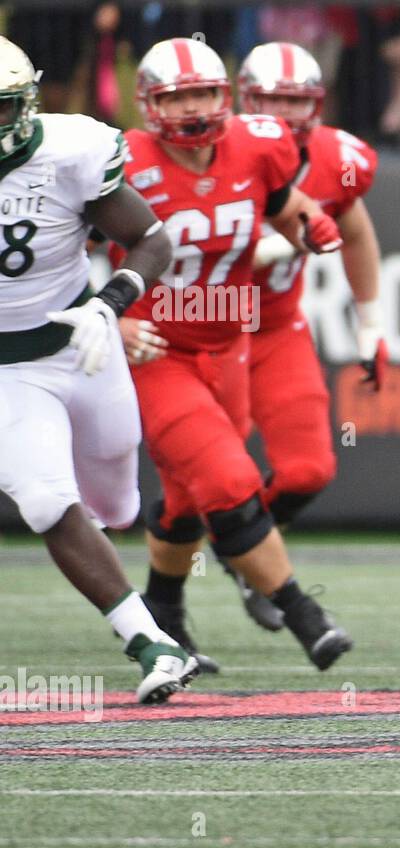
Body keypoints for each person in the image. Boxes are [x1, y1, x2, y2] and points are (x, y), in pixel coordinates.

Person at [113, 38, 354, 673]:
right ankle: (305, 613)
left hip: (230, 345)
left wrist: (310, 222)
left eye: (202, 93)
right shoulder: (123, 162)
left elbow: (280, 206)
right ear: (148, 105)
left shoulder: (256, 144)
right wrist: (106, 318)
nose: (192, 107)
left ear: (226, 95)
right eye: (176, 96)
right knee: (227, 479)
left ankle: (163, 611)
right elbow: (63, 253)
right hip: (155, 348)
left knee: (190, 495)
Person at [0, 36, 194, 703]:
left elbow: (152, 238)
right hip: (7, 370)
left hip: (84, 341)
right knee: (47, 500)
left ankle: (113, 541)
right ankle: (152, 642)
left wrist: (111, 307)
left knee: (116, 500)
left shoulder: (69, 149)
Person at [224, 41, 384, 630]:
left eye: (296, 102)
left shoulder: (337, 157)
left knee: (308, 469)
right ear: (244, 98)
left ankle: (243, 552)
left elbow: (356, 232)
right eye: (271, 100)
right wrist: (278, 241)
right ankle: (169, 600)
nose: (285, 115)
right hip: (206, 330)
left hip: (276, 327)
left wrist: (371, 325)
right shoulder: (213, 151)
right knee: (208, 479)